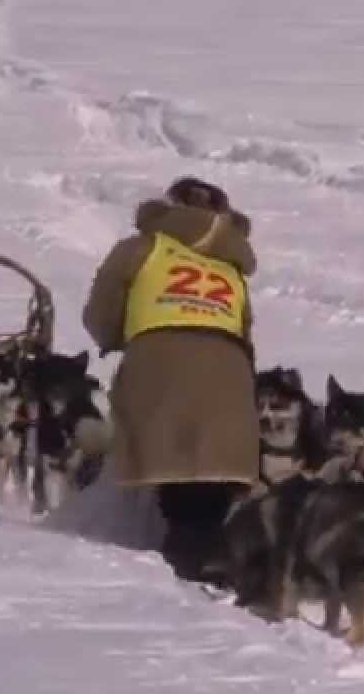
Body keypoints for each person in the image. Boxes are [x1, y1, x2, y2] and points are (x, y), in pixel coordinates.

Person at [81, 176, 260, 583]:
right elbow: (244, 333)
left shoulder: (142, 249)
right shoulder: (231, 267)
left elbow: (102, 312)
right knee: (212, 486)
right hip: (229, 380)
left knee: (177, 484)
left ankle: (185, 581)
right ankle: (215, 563)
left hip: (158, 374)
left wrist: (114, 340)